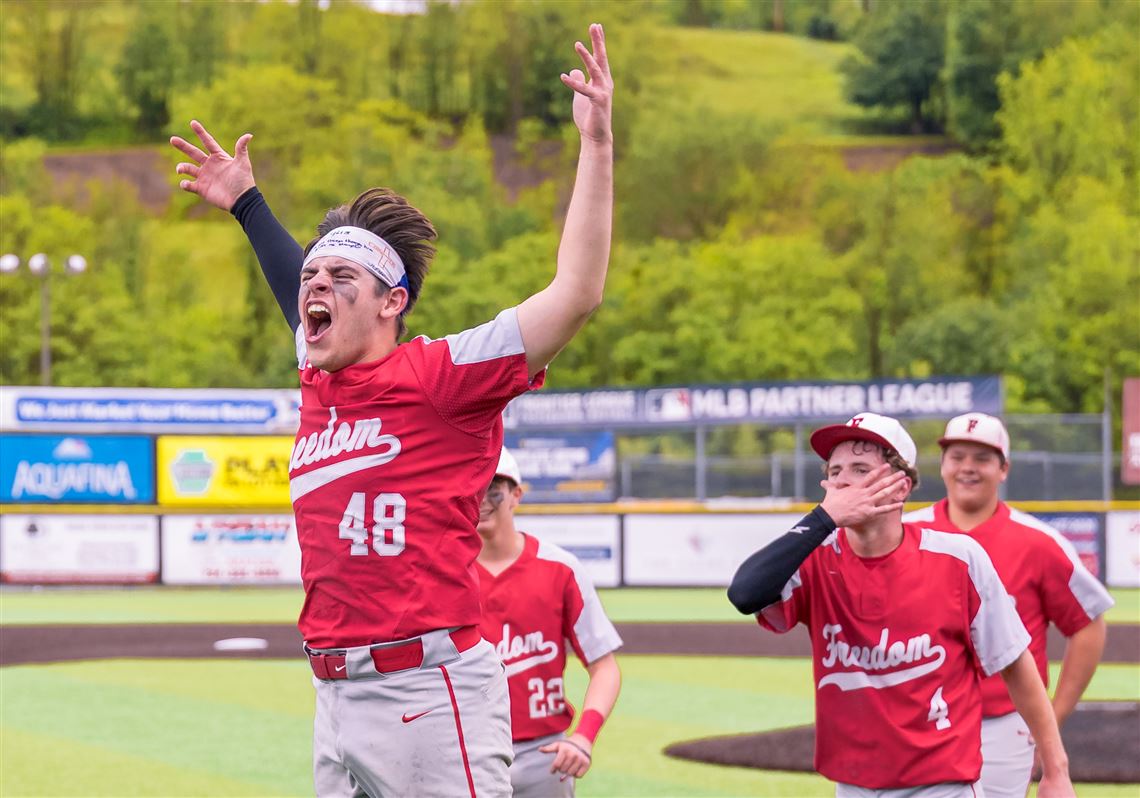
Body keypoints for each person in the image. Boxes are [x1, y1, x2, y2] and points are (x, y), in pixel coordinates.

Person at [170, 24, 613, 798]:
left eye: (343, 274)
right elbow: (297, 285)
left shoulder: (443, 376)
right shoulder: (320, 376)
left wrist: (597, 145)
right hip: (333, 696)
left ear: (392, 302)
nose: (315, 284)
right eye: (312, 273)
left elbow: (575, 297)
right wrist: (246, 203)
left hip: (429, 693)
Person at [727, 412, 1075, 798]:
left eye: (860, 469)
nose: (842, 481)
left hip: (941, 783)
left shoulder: (958, 558)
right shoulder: (816, 560)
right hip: (853, 783)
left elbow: (1014, 663)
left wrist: (1056, 770)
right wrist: (824, 518)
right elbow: (745, 593)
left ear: (900, 486)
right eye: (835, 470)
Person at [904, 413, 1113, 798]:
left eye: (982, 458)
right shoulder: (907, 534)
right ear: (944, 464)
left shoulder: (1038, 542)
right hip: (919, 722)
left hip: (1001, 725)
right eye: (958, 456)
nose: (968, 467)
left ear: (1003, 469)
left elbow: (1088, 624)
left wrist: (1050, 717)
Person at [474, 447, 622, 797]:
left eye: (494, 488)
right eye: (473, 488)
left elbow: (605, 667)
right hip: (464, 751)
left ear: (516, 495)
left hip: (544, 754)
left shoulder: (560, 568)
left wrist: (584, 735)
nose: (482, 499)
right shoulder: (446, 574)